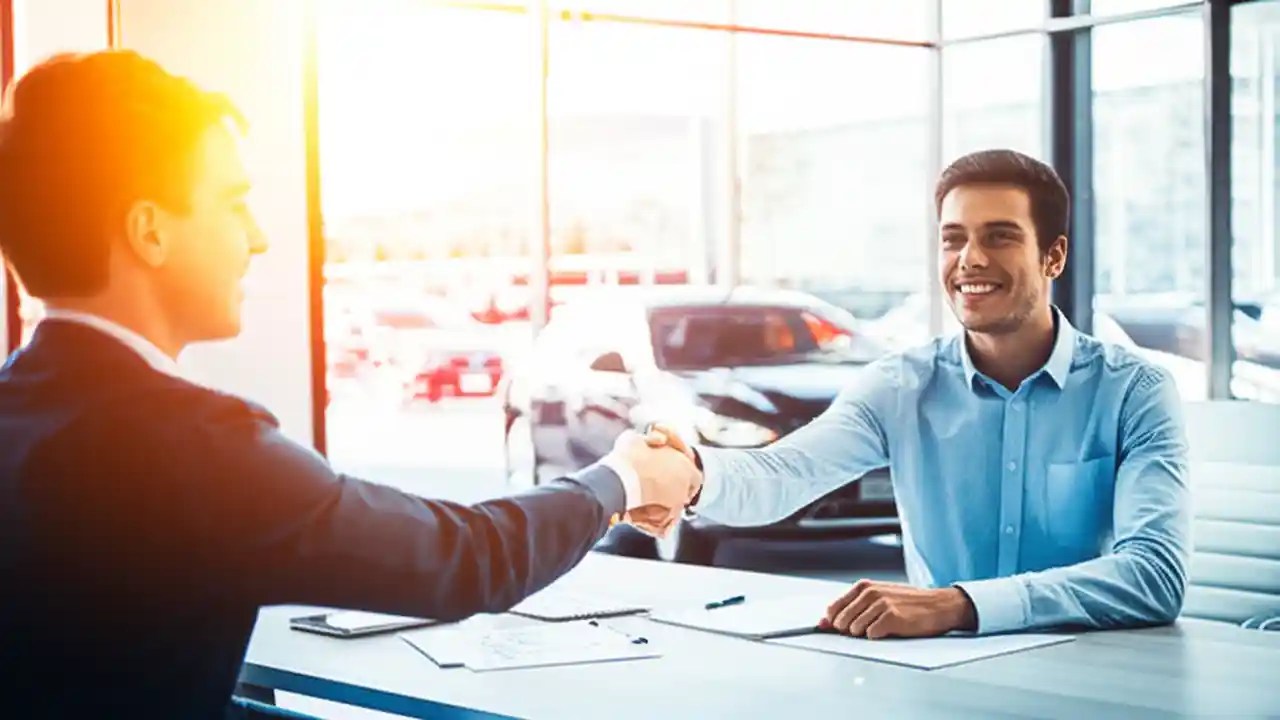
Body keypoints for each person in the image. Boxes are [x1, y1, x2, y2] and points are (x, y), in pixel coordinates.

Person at [0, 51, 699, 719]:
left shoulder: (18, 408)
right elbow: (467, 560)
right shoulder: (189, 446)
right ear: (149, 231)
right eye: (232, 203)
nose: (257, 238)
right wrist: (624, 479)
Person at [639, 149, 1191, 640]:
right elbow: (785, 475)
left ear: (1054, 257)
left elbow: (1154, 575)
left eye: (1000, 236)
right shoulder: (900, 385)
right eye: (954, 239)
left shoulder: (1133, 392)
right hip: (935, 676)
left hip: (1092, 671)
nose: (970, 258)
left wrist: (958, 605)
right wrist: (693, 475)